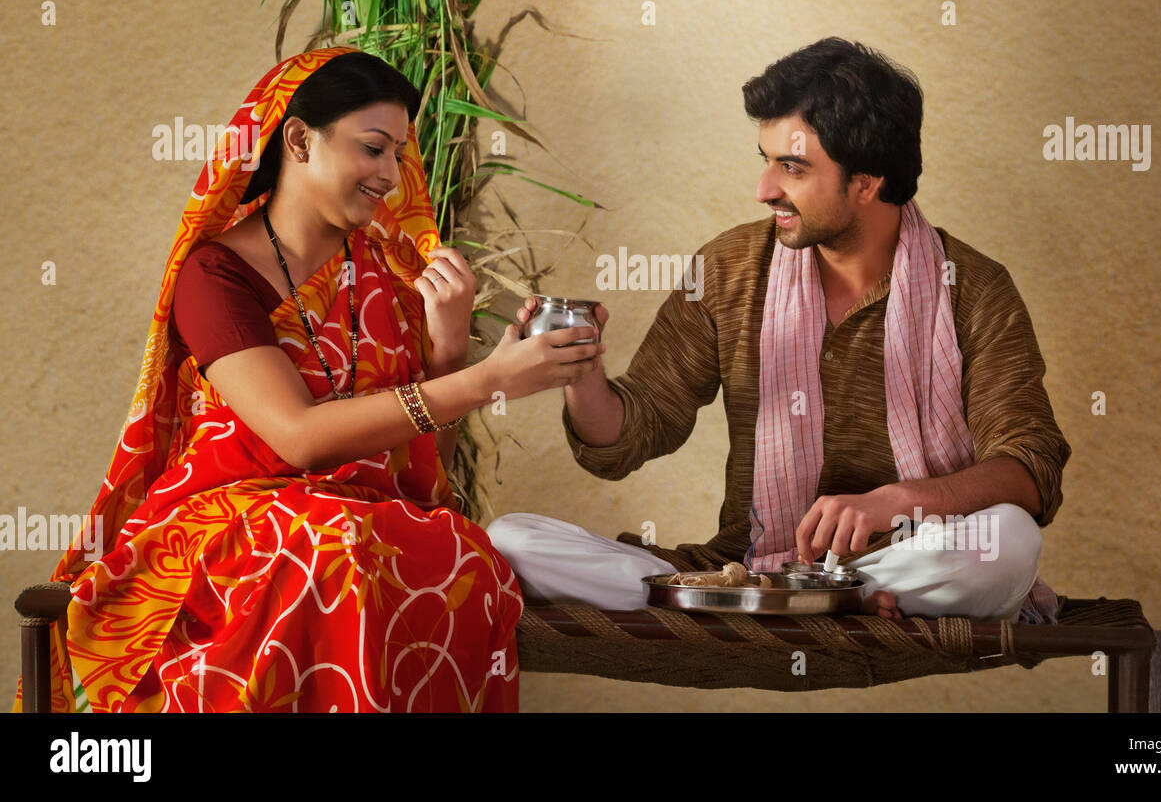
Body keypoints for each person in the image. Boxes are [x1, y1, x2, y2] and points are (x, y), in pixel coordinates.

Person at [15, 47, 603, 712]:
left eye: (398, 155)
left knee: (463, 552)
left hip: (360, 522)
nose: (391, 175)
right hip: (231, 527)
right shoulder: (216, 276)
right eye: (373, 149)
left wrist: (447, 347)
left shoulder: (393, 278)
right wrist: (487, 380)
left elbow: (421, 475)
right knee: (332, 549)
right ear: (297, 139)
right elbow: (298, 437)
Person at [487, 38, 1071, 623]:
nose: (764, 189)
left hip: (902, 556)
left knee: (1008, 541)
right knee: (511, 541)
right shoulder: (730, 269)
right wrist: (582, 374)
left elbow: (1030, 466)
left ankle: (826, 594)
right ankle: (808, 601)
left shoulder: (971, 287)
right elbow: (633, 432)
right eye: (766, 160)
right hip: (743, 567)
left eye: (792, 167)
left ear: (866, 181)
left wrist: (896, 502)